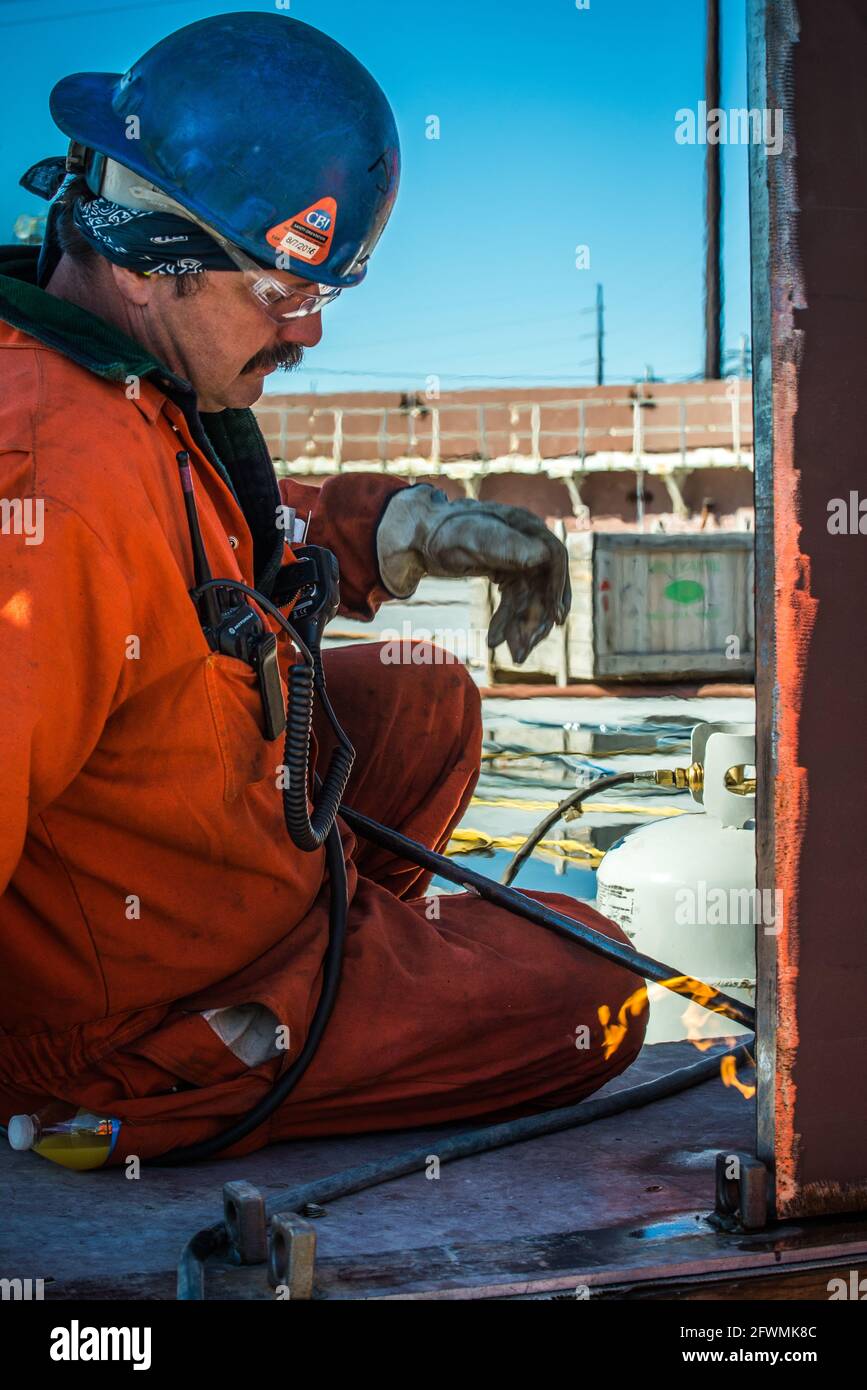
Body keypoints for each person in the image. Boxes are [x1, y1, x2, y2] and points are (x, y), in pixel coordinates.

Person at [0, 12, 646, 1164]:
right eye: (279, 289)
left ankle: (345, 962)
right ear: (157, 252)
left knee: (422, 696)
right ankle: (232, 1051)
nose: (305, 332)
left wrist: (399, 527)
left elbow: (221, 527)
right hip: (129, 1020)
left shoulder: (124, 385)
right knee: (604, 986)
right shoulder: (49, 482)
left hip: (207, 857)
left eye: (326, 295)